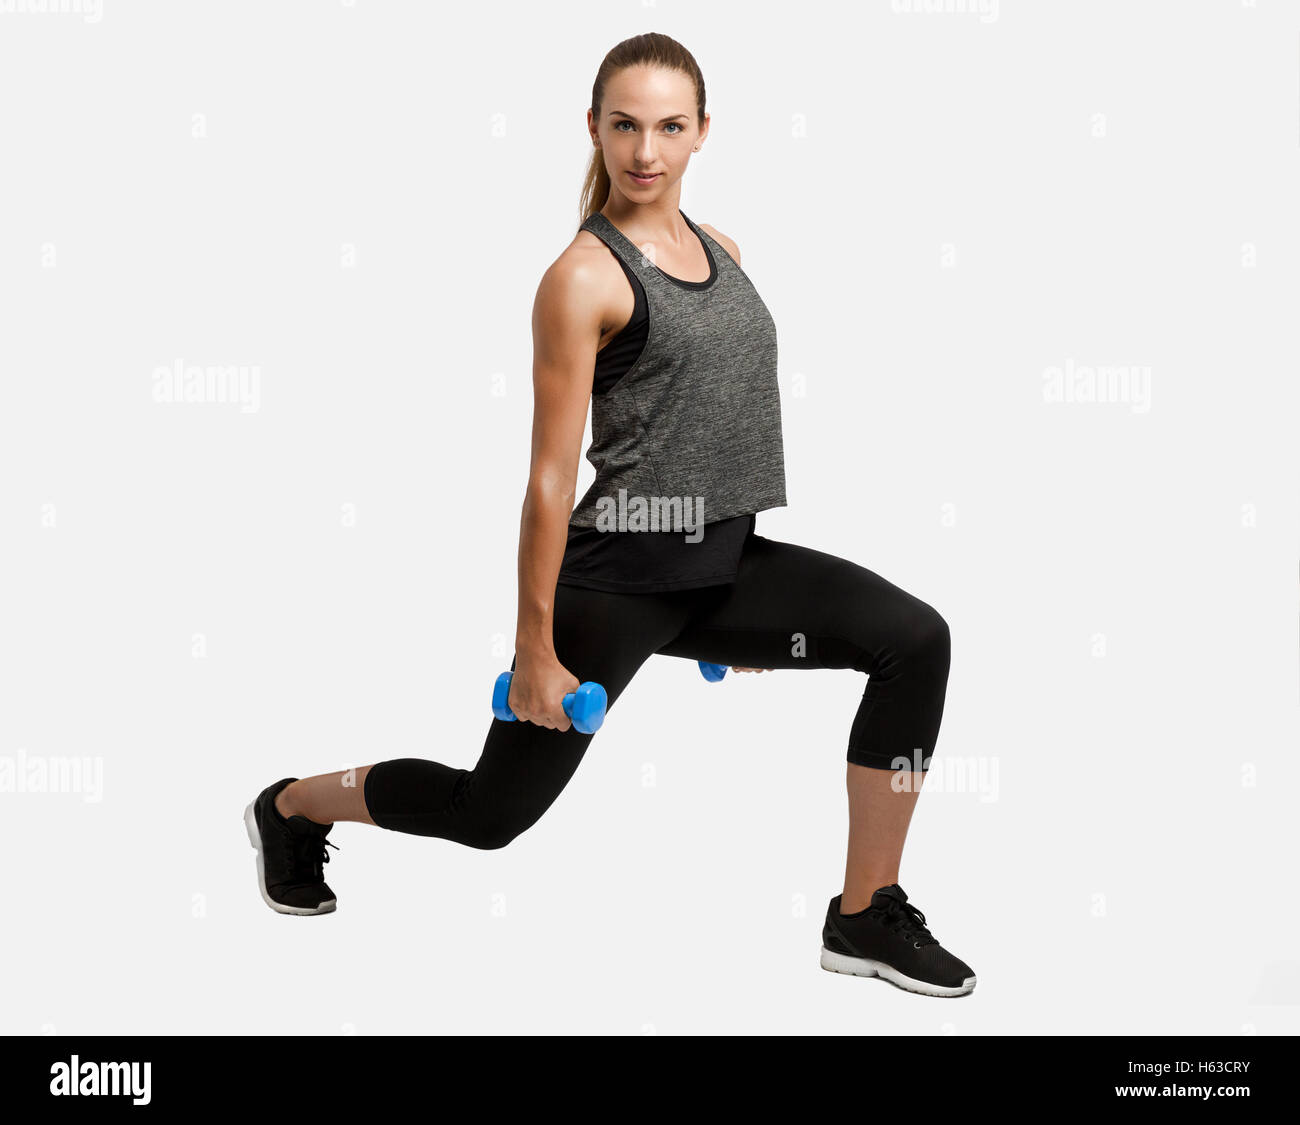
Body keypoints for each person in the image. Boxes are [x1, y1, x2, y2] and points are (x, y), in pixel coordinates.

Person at [244, 32, 976, 998]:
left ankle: (864, 912)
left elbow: (711, 416)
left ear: (703, 130)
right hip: (616, 581)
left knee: (917, 639)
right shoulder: (583, 277)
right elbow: (549, 481)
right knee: (488, 813)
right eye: (625, 125)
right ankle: (294, 804)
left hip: (721, 563)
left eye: (670, 126)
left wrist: (740, 591)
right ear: (593, 126)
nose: (646, 150)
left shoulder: (723, 250)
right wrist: (535, 650)